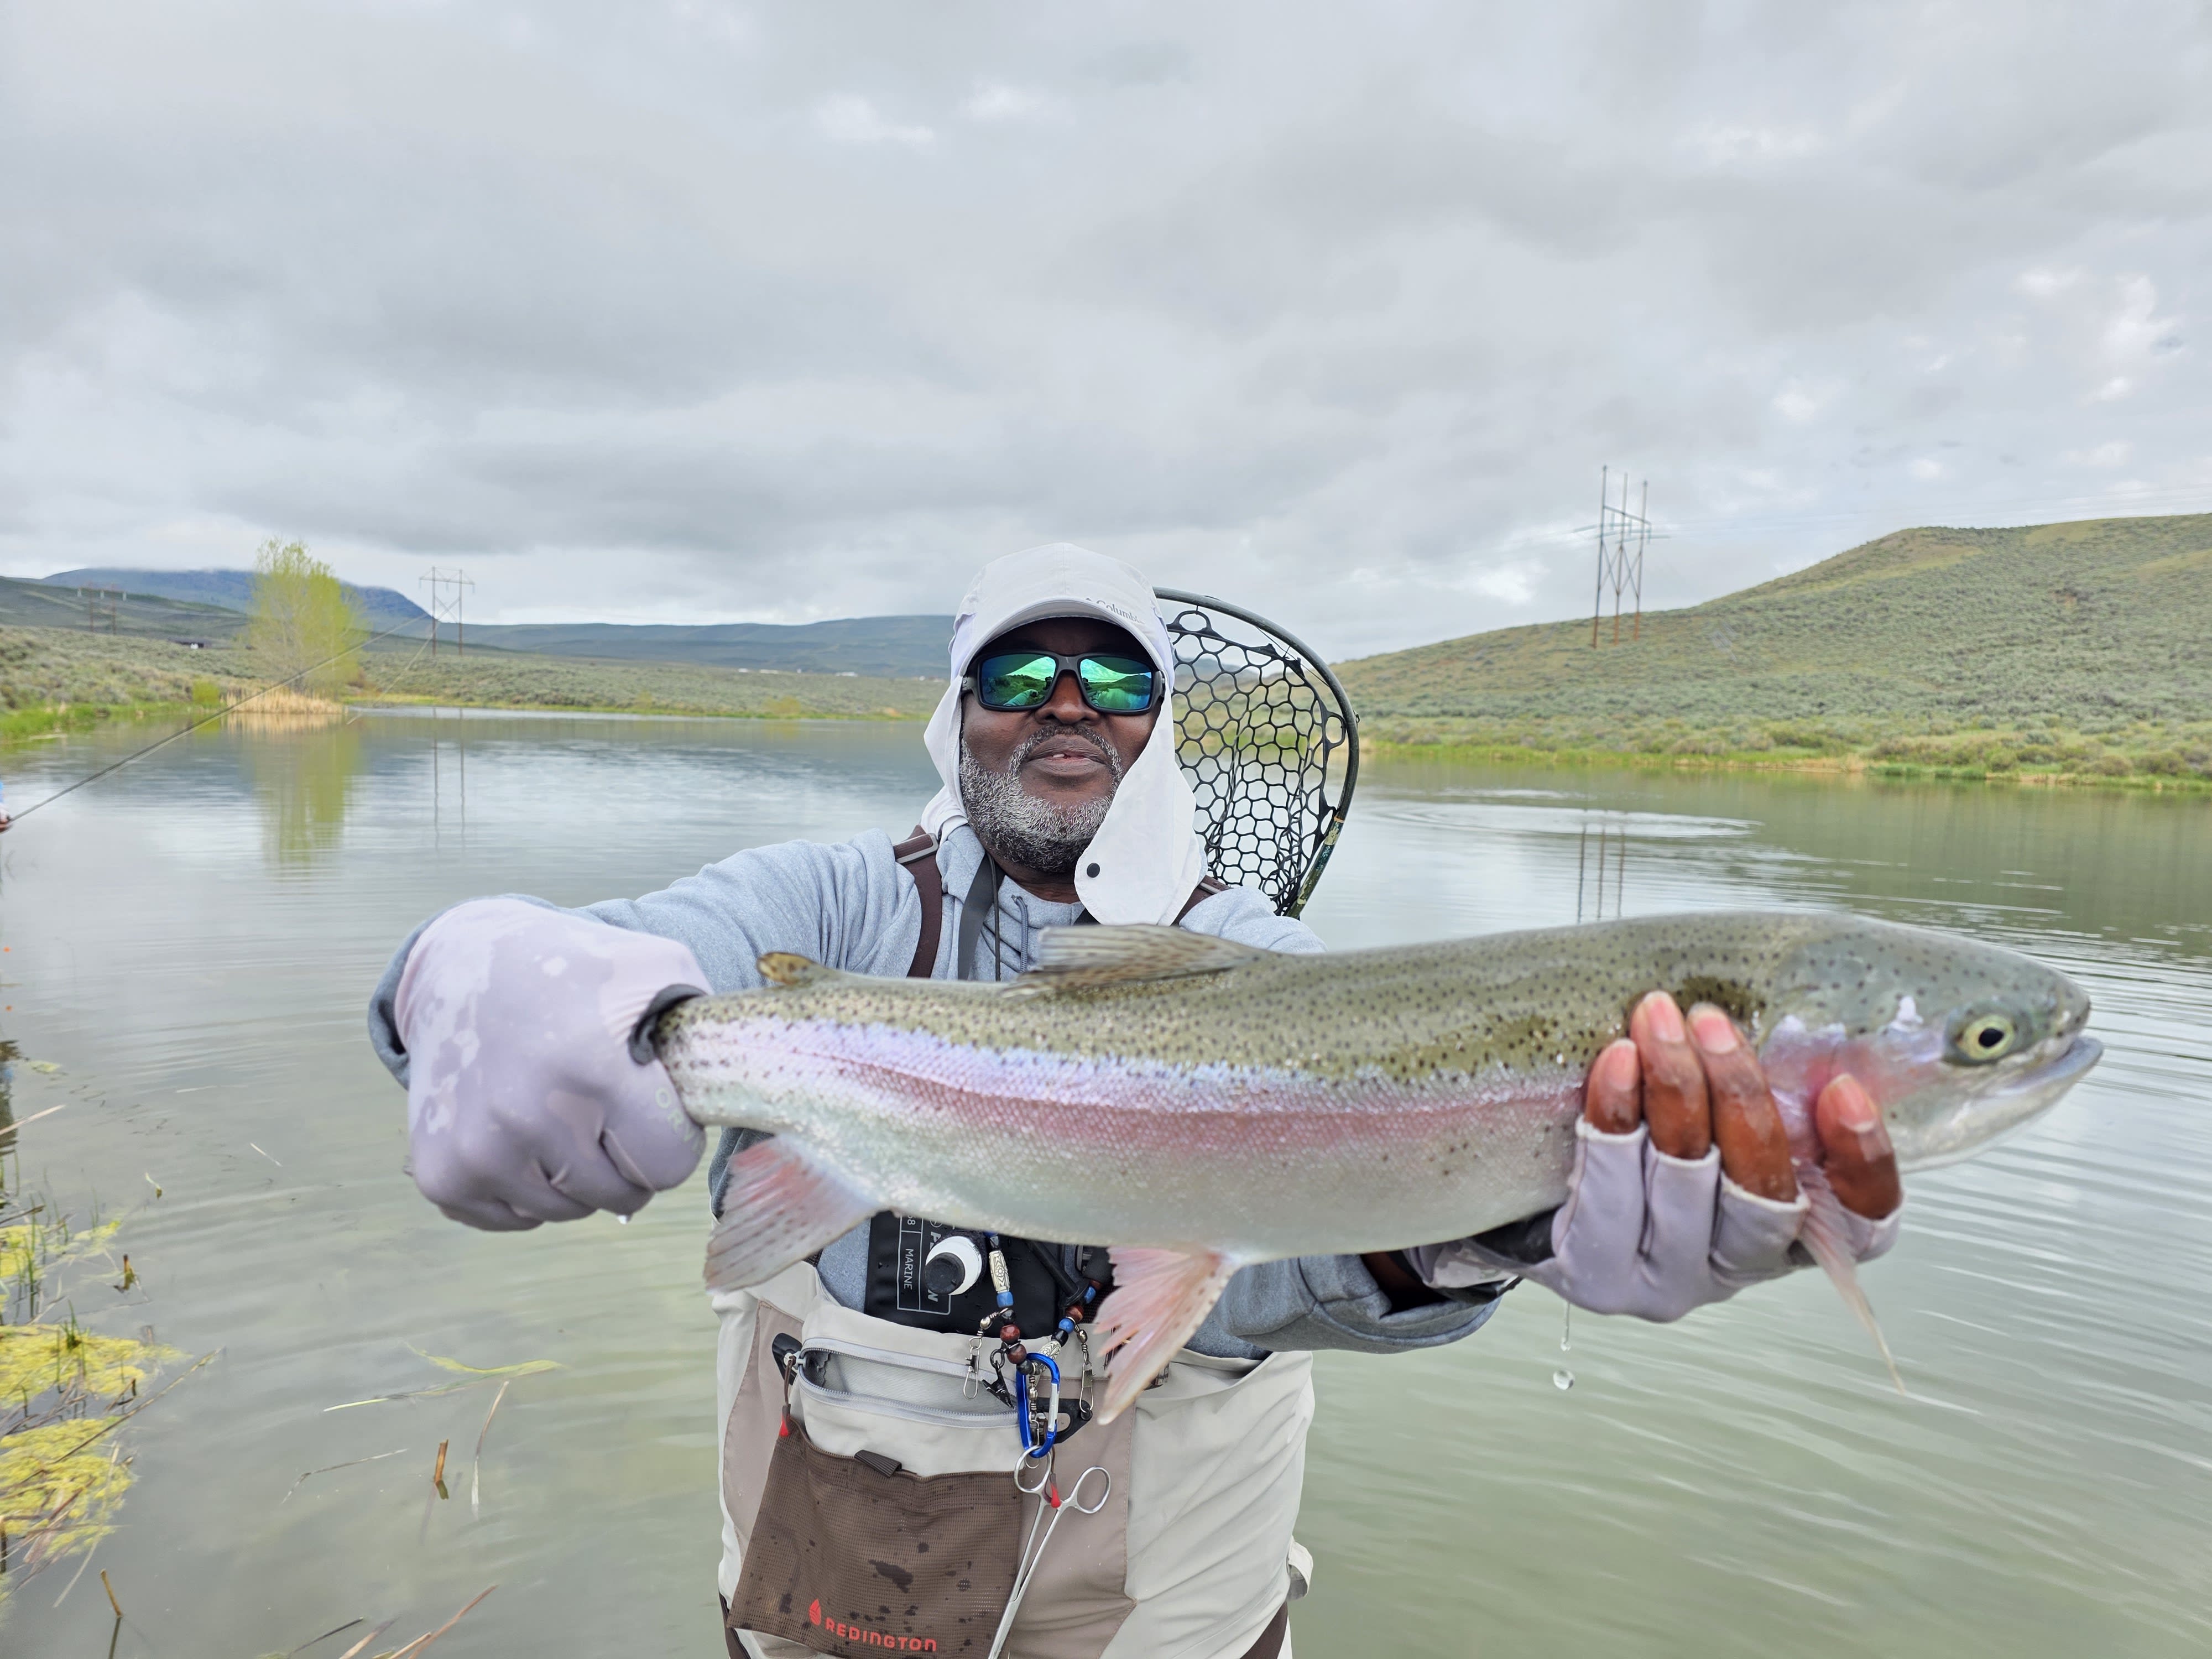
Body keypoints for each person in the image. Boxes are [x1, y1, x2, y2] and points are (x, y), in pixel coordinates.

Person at [368, 544, 1901, 1659]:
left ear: (1158, 723)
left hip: (1170, 1614)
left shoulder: (1265, 972)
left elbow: (1284, 1277)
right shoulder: (827, 906)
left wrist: (1488, 1232)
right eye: (1016, 675)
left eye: (1111, 678)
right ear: (956, 712)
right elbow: (638, 955)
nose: (1065, 708)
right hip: (819, 1593)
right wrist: (469, 974)